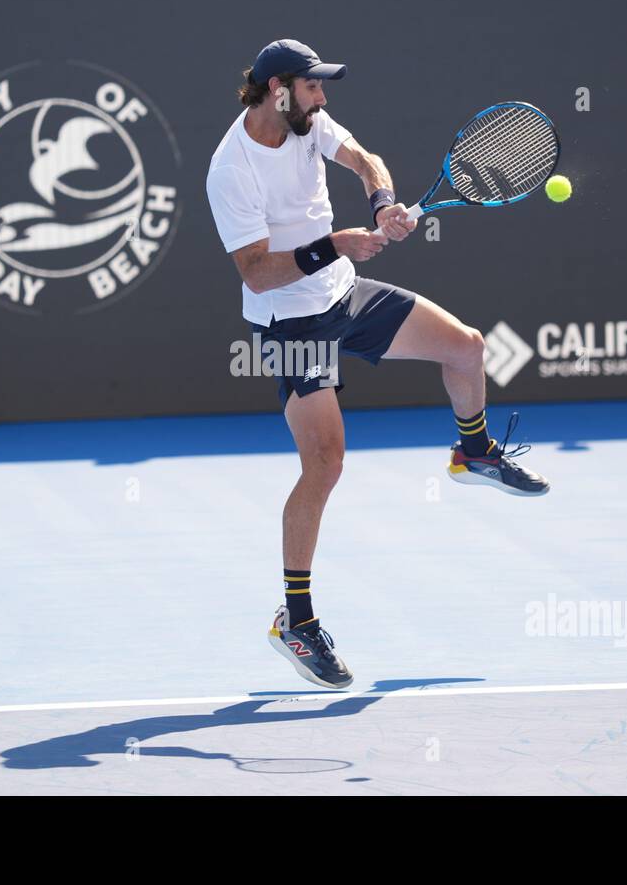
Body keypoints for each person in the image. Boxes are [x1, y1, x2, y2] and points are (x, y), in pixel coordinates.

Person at [205, 39, 550, 689]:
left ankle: (473, 452)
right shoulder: (231, 168)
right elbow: (256, 273)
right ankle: (297, 622)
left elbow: (363, 158)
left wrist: (382, 202)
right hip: (290, 322)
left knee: (467, 347)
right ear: (279, 90)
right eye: (314, 87)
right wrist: (333, 245)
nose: (323, 97)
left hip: (342, 294)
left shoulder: (308, 125)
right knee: (326, 464)